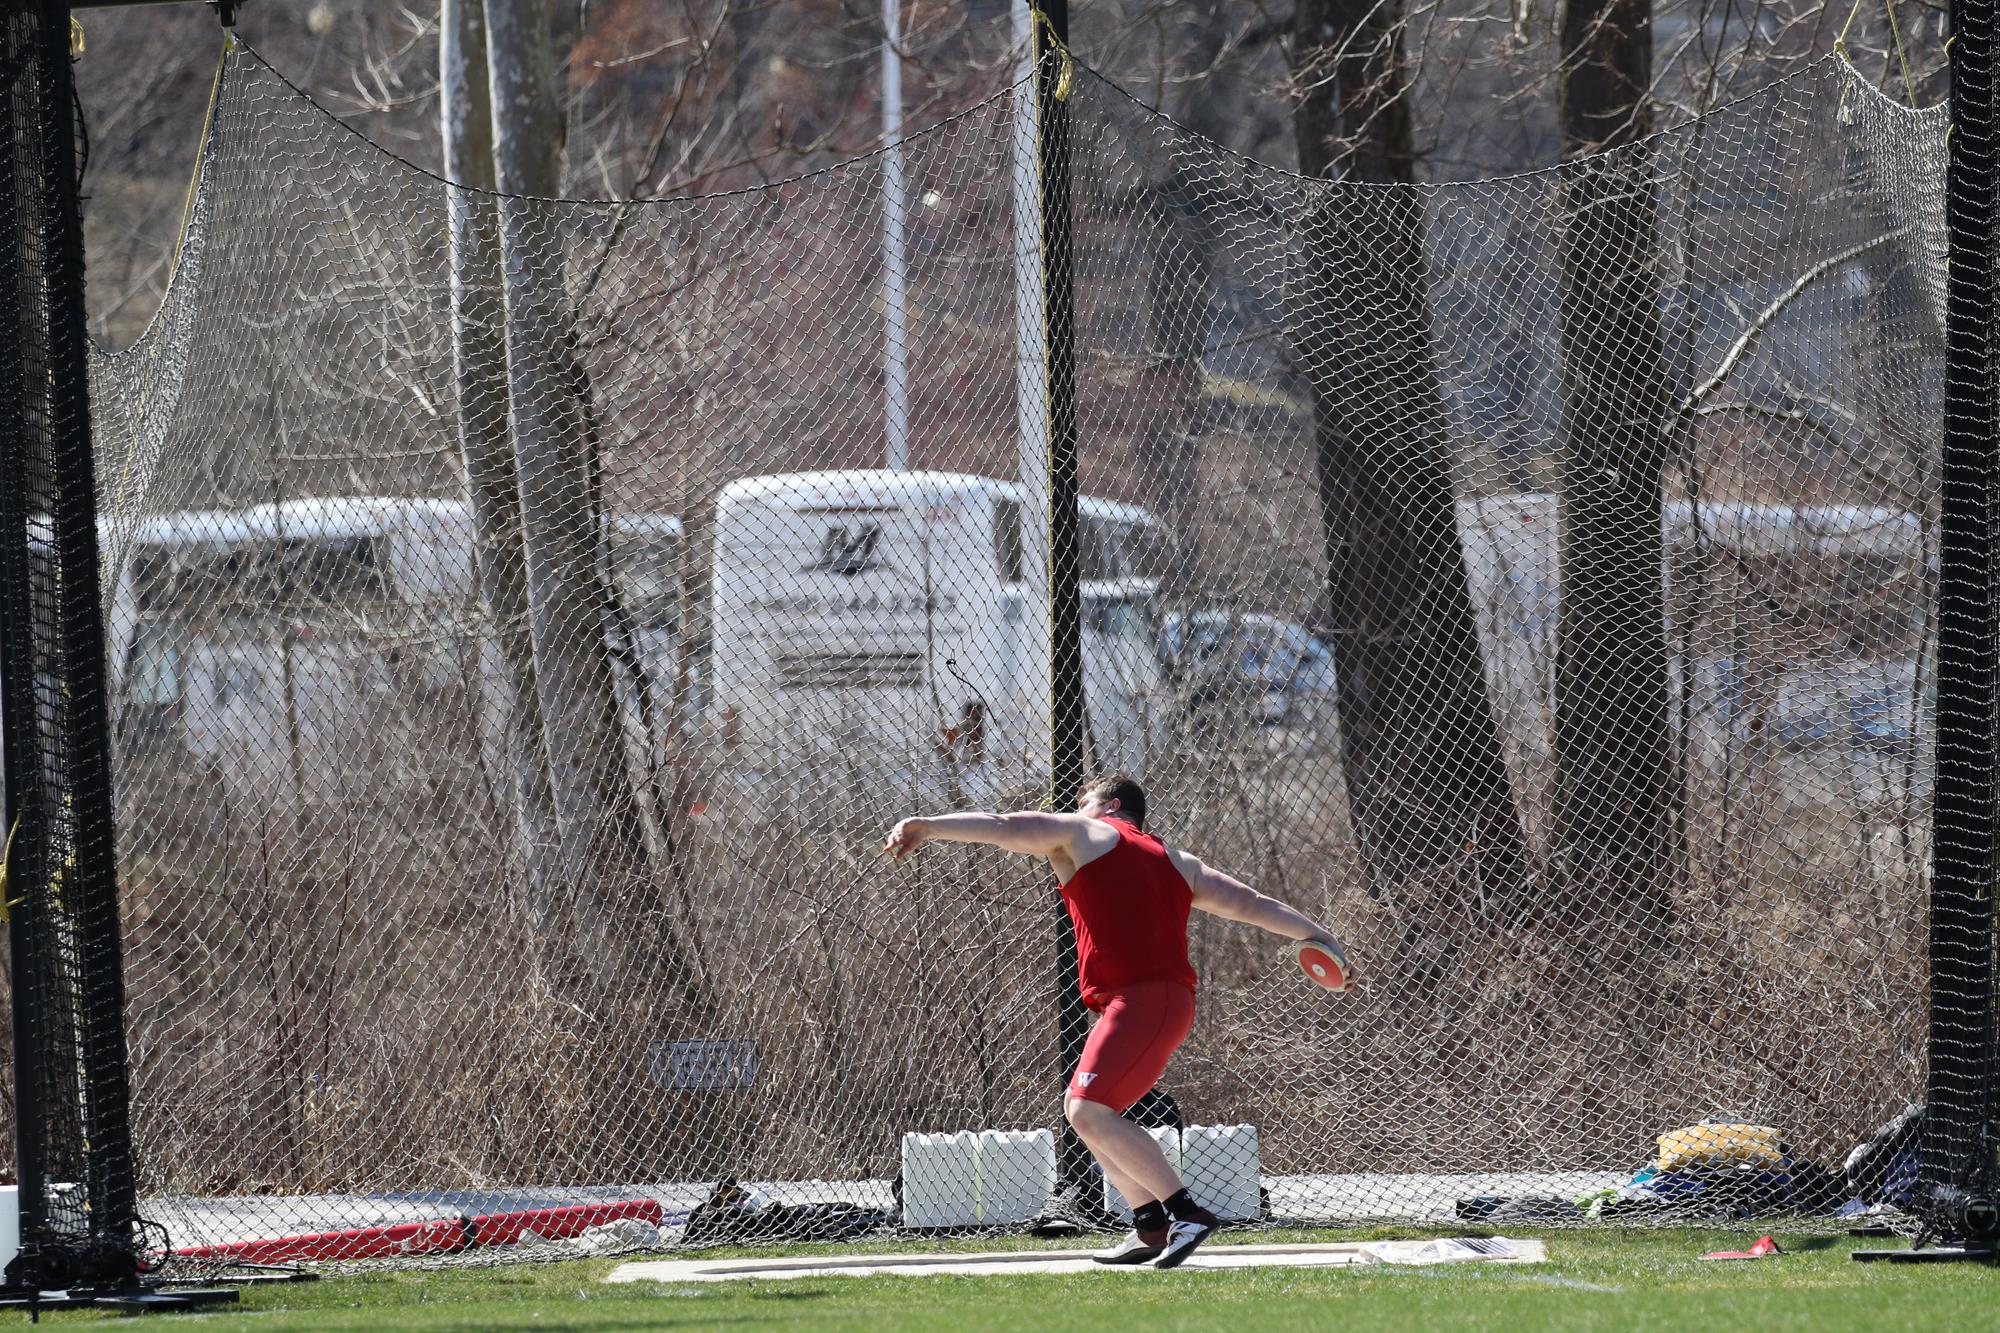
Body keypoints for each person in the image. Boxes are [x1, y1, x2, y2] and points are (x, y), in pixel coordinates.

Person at [883, 772, 1354, 1269]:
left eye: (1081, 801)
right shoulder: (1178, 861)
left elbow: (1004, 825)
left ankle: (1187, 1214)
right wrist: (1320, 936)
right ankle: (1149, 1225)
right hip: (1163, 1001)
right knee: (1083, 1109)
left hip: (1141, 1000)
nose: (1073, 810)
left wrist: (928, 825)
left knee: (1089, 1112)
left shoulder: (1087, 832)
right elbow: (1251, 904)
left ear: (1108, 805)